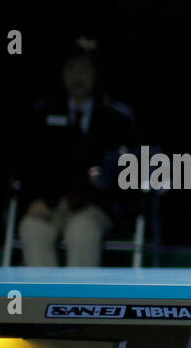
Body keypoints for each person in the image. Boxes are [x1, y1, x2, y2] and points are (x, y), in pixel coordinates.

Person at [14, 38, 137, 267]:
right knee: (32, 229)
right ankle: (43, 302)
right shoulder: (42, 114)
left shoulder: (116, 119)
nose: (77, 77)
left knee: (81, 232)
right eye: (71, 69)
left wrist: (103, 180)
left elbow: (128, 171)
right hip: (49, 206)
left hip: (93, 208)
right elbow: (28, 164)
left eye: (84, 69)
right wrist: (34, 200)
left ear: (96, 73)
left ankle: (77, 302)